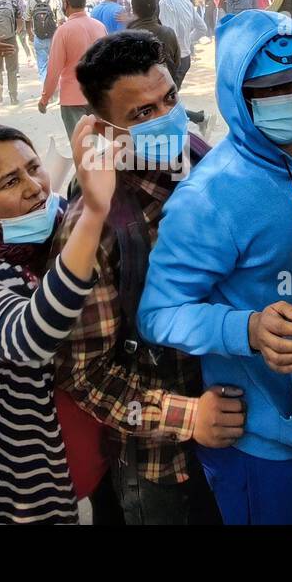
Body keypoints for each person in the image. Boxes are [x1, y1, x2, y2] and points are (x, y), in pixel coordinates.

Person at [138, 10, 292, 525]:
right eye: (273, 90)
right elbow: (159, 313)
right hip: (262, 437)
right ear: (238, 98)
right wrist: (246, 328)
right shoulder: (207, 197)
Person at [55, 31, 231, 525]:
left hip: (240, 425)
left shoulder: (199, 157)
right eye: (142, 114)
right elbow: (83, 372)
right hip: (161, 465)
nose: (166, 117)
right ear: (104, 129)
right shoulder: (97, 227)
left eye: (169, 99)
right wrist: (189, 417)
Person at [0, 118, 115, 524]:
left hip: (102, 468)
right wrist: (93, 213)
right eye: (8, 182)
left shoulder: (53, 238)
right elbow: (33, 335)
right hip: (37, 496)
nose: (34, 187)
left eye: (34, 167)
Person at [127, 0, 211, 133]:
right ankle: (199, 118)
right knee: (168, 109)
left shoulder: (127, 35)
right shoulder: (167, 32)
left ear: (133, 9)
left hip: (141, 95)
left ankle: (199, 118)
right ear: (155, 7)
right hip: (166, 85)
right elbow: (177, 61)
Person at [39, 0, 106, 138]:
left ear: (66, 3)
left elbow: (53, 70)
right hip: (97, 97)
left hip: (72, 100)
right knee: (93, 148)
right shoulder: (100, 27)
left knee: (81, 149)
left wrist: (45, 98)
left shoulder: (63, 31)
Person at [152, 0, 208, 90]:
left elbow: (169, 34)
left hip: (173, 60)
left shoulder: (164, 2)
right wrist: (187, 40)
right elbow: (202, 28)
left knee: (168, 96)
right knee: (173, 93)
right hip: (186, 58)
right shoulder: (185, 1)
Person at [27, 0, 63, 81]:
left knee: (42, 66)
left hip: (38, 37)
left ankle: (46, 90)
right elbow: (60, 20)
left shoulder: (31, 0)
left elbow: (27, 19)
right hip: (53, 37)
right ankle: (55, 87)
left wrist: (30, 34)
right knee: (55, 64)